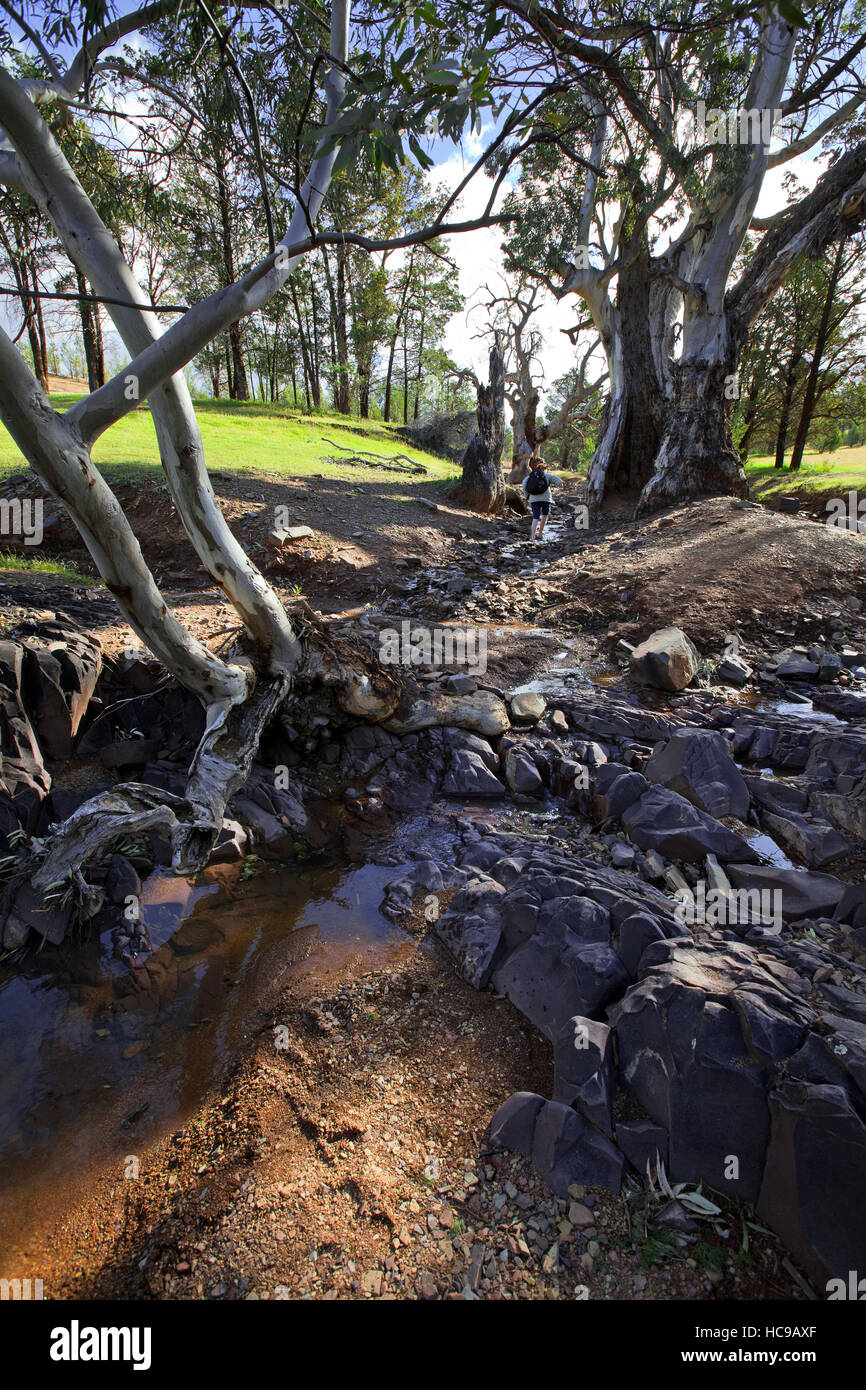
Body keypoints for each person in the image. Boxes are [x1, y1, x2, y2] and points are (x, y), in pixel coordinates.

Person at [521, 450, 562, 542]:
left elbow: (524, 484)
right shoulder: (547, 475)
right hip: (546, 499)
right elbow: (558, 481)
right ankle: (540, 534)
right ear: (545, 467)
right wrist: (560, 484)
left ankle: (532, 537)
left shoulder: (531, 476)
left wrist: (527, 496)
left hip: (533, 499)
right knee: (545, 515)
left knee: (535, 517)